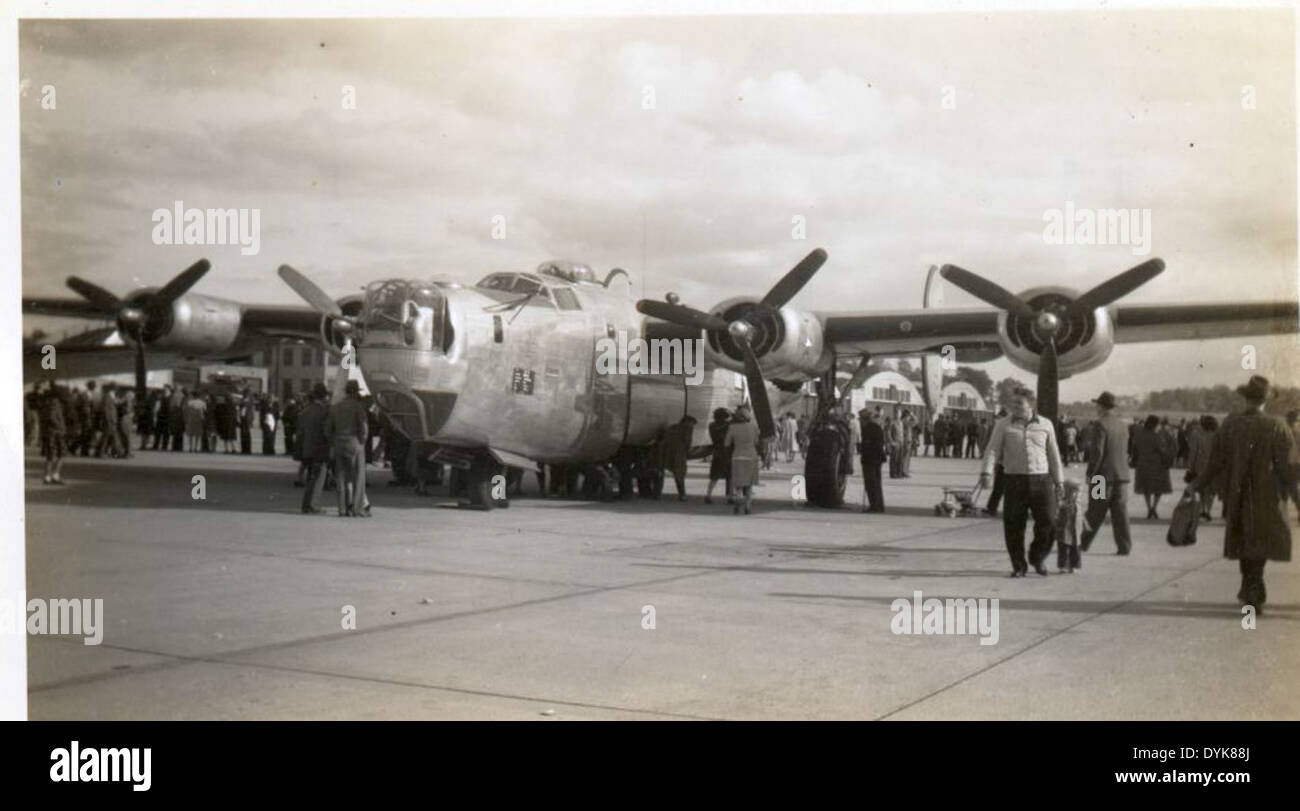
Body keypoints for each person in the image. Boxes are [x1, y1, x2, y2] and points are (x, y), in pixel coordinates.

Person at [1194, 376, 1293, 612]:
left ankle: (1250, 588)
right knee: (1259, 542)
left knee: (1244, 541)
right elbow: (1287, 467)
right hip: (1267, 496)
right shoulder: (1277, 426)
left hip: (1237, 494)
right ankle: (1253, 591)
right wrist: (1295, 497)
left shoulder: (1230, 425)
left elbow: (1214, 463)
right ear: (1265, 400)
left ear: (1245, 398)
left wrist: (1196, 485)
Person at [980, 387, 1063, 577]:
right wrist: (986, 473)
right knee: (1014, 525)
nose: (1015, 406)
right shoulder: (1003, 425)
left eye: (1020, 403)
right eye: (1013, 403)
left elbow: (1054, 455)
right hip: (1014, 481)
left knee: (1049, 522)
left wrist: (1059, 482)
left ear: (1030, 404)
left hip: (1042, 480)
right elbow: (992, 450)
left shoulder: (1046, 424)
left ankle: (1037, 556)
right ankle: (1019, 565)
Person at [1079, 391, 1134, 555]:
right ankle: (1124, 547)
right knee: (1120, 513)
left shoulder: (1100, 424)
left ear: (1101, 406)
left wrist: (1090, 474)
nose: (1096, 407)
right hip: (1121, 477)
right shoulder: (1122, 425)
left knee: (1094, 512)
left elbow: (1097, 453)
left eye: (1097, 404)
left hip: (1101, 478)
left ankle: (1082, 544)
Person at [327, 379, 370, 517]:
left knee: (340, 477)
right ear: (356, 392)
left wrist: (334, 441)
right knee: (357, 477)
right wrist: (362, 442)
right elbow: (363, 428)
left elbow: (327, 429)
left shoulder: (335, 407)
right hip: (354, 443)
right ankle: (357, 509)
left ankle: (342, 509)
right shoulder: (358, 407)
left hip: (339, 443)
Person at [295, 383, 331, 514]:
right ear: (324, 396)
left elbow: (301, 431)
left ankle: (306, 504)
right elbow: (327, 431)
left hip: (307, 449)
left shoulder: (305, 411)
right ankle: (312, 506)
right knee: (318, 479)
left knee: (311, 477)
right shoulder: (325, 411)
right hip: (320, 449)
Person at [1132, 414, 1174, 519]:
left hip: (1143, 464)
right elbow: (1162, 450)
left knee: (1146, 488)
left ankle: (1149, 507)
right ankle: (1154, 507)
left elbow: (1135, 447)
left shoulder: (1139, 435)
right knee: (1158, 488)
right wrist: (1168, 459)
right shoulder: (1157, 436)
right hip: (1157, 465)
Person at [1185, 414, 1221, 521]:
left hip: (1200, 466)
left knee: (1201, 490)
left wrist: (1190, 467)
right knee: (1211, 491)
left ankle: (1202, 509)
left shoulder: (1196, 435)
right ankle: (1208, 511)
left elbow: (1193, 452)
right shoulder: (1218, 436)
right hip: (1214, 466)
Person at [727, 404, 760, 515]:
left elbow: (726, 443)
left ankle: (738, 502)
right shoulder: (754, 426)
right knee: (749, 485)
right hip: (751, 457)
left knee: (739, 484)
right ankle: (748, 507)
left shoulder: (732, 427)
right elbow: (756, 442)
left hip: (737, 457)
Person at [657, 415, 695, 502]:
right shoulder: (688, 428)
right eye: (692, 424)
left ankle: (657, 494)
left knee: (660, 473)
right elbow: (687, 442)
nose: (693, 426)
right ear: (687, 422)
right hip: (679, 455)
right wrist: (688, 452)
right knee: (679, 475)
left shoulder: (672, 427)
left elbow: (664, 439)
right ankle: (682, 495)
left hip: (666, 453)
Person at [38, 380, 68, 485]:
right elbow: (52, 417)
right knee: (60, 453)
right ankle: (54, 475)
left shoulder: (48, 402)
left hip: (50, 432)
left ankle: (48, 476)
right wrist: (61, 427)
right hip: (56, 432)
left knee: (51, 455)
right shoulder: (55, 402)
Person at [858, 407, 886, 513]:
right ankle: (880, 505)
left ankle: (874, 506)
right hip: (878, 459)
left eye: (861, 419)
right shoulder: (877, 427)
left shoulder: (867, 429)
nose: (860, 421)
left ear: (865, 419)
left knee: (871, 483)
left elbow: (867, 445)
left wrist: (863, 453)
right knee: (877, 483)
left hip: (870, 459)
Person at [704, 408, 732, 505]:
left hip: (716, 452)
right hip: (727, 453)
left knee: (714, 476)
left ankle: (708, 495)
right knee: (730, 476)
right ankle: (730, 497)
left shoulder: (711, 425)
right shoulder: (728, 426)